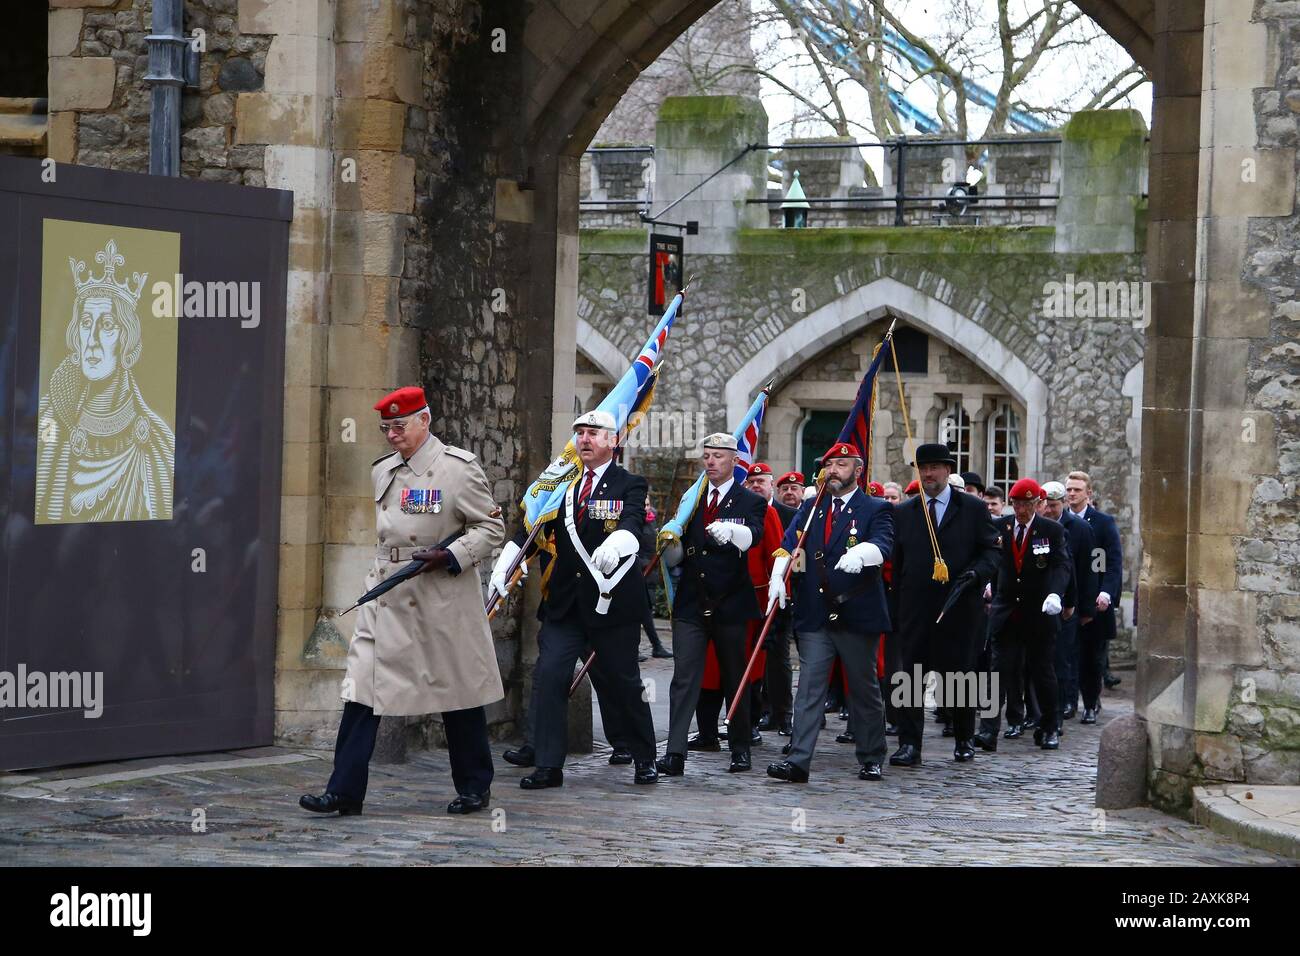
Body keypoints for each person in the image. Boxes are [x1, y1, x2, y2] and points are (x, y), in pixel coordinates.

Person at [300, 387, 503, 816]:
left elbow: (490, 530)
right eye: (386, 428)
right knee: (360, 691)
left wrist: (450, 555)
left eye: (400, 426)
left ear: (424, 421)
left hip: (440, 597)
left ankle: (474, 786)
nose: (392, 435)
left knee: (458, 694)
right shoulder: (383, 471)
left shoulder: (458, 469)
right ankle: (344, 791)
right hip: (387, 594)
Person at [496, 410, 659, 789]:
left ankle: (644, 756)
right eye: (581, 433)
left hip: (611, 601)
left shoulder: (629, 483)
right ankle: (549, 765)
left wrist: (619, 543)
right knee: (551, 676)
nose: (585, 439)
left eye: (594, 433)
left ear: (612, 441)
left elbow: (633, 522)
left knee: (624, 682)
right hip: (566, 603)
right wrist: (508, 561)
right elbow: (532, 529)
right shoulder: (560, 484)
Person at [765, 442, 894, 783]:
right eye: (829, 464)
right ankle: (798, 760)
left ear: (858, 469)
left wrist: (864, 552)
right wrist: (778, 576)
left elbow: (884, 544)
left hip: (856, 611)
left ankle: (870, 755)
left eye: (841, 464)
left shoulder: (874, 508)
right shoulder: (811, 507)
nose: (833, 469)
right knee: (808, 688)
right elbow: (789, 543)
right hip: (816, 612)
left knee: (863, 688)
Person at [656, 433, 767, 776]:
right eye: (706, 456)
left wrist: (733, 534)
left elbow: (755, 535)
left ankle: (740, 748)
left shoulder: (749, 500)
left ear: (735, 460)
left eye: (718, 455)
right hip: (692, 601)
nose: (711, 462)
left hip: (730, 602)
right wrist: (668, 542)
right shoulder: (692, 499)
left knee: (736, 677)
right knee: (684, 677)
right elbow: (679, 543)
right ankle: (675, 752)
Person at [888, 444, 999, 766]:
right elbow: (897, 564)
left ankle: (964, 739)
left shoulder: (972, 509)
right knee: (909, 678)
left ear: (948, 470)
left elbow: (992, 552)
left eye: (935, 467)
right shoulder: (905, 512)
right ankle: (909, 744)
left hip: (960, 609)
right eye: (923, 468)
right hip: (916, 609)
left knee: (959, 678)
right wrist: (896, 609)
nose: (928, 474)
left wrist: (976, 575)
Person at [986, 478, 1070, 750]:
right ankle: (989, 729)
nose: (1021, 510)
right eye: (1017, 504)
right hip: (1007, 611)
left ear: (1037, 504)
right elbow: (991, 559)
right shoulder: (1001, 527)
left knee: (1042, 672)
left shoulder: (1051, 530)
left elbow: (1060, 566)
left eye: (1027, 504)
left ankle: (1049, 727)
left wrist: (1056, 594)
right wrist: (986, 581)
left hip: (1038, 612)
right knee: (998, 672)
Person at [1065, 470, 1123, 722]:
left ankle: (1090, 703)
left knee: (1092, 658)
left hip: (1096, 600)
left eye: (1077, 489)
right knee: (1067, 656)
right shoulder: (1061, 522)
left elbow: (1113, 562)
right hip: (1069, 599)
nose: (1071, 493)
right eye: (1069, 489)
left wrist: (1106, 593)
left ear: (1088, 493)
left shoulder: (1103, 522)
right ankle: (1068, 702)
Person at [747, 462, 796, 735]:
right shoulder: (743, 511)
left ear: (770, 484)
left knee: (778, 660)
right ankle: (762, 711)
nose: (756, 486)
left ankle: (783, 714)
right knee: (754, 659)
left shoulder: (789, 515)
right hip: (751, 598)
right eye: (752, 482)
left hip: (781, 595)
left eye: (761, 481)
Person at [1042, 481, 1097, 722]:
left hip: (1068, 603)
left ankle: (1067, 701)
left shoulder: (1080, 528)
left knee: (1064, 656)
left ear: (1063, 504)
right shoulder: (1038, 525)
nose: (1049, 510)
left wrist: (1085, 607)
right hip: (1040, 603)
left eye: (1053, 506)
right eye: (1046, 505)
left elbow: (1088, 570)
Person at [638, 491, 673, 660]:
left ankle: (656, 646)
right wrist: (644, 564)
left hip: (651, 573)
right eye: (642, 505)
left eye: (647, 504)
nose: (645, 508)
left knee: (646, 611)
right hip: (639, 573)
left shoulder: (652, 521)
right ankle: (647, 647)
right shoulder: (635, 523)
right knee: (638, 612)